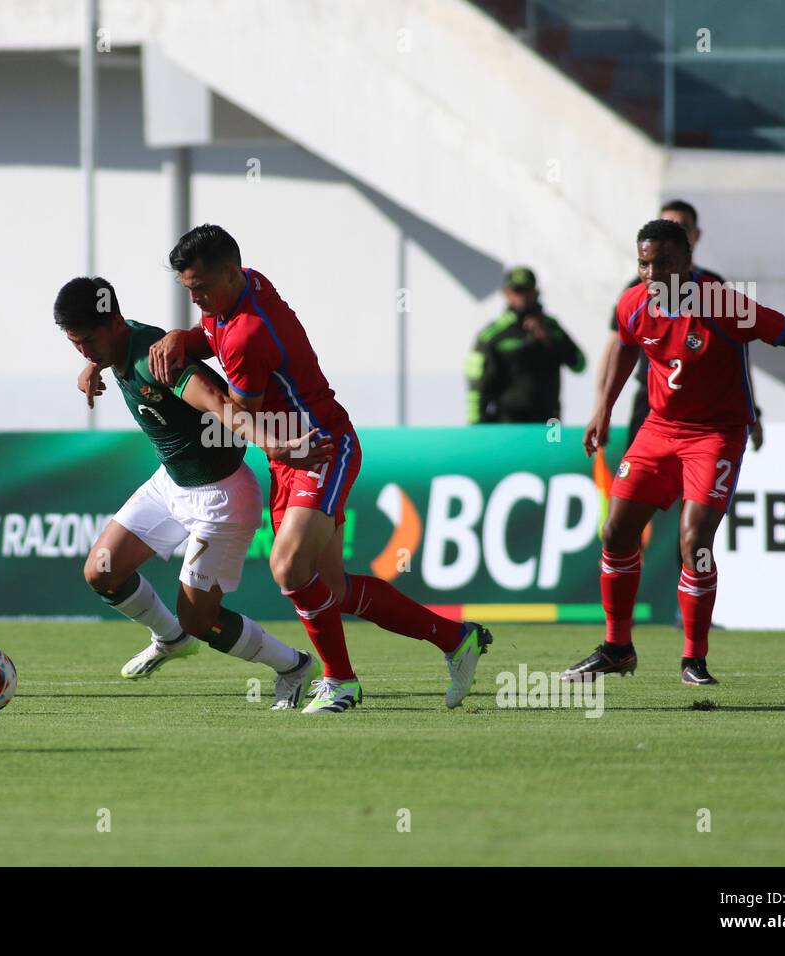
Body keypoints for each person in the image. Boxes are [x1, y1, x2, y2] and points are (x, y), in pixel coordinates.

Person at [149, 224, 492, 715]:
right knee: (333, 590)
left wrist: (196, 392)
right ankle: (457, 639)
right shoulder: (244, 288)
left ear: (229, 273)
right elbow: (209, 335)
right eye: (188, 291)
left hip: (318, 449)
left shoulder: (248, 330)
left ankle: (341, 683)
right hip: (287, 454)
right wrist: (181, 338)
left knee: (288, 566)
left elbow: (240, 414)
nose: (197, 300)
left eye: (201, 288)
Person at [567, 220, 785, 686]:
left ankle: (693, 659)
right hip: (657, 430)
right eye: (644, 264)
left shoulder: (722, 305)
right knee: (616, 531)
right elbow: (628, 348)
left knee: (695, 543)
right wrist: (603, 409)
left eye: (662, 263)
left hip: (714, 434)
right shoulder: (633, 302)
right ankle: (616, 648)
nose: (651, 274)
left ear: (687, 264)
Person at [55, 276, 323, 710]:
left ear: (114, 323)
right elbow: (113, 352)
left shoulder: (155, 361)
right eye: (75, 344)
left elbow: (219, 403)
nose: (83, 351)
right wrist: (93, 367)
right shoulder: (120, 344)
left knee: (200, 618)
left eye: (87, 342)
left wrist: (273, 443)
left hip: (221, 499)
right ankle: (170, 638)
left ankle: (292, 665)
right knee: (101, 573)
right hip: (171, 483)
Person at [594, 199, 764, 453]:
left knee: (693, 487)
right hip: (652, 401)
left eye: (682, 227)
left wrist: (753, 410)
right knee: (643, 487)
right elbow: (615, 346)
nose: (674, 232)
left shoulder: (714, 287)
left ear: (696, 235)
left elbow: (740, 351)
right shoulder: (637, 288)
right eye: (668, 225)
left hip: (704, 407)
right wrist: (601, 408)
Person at [466, 266, 585, 424]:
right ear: (507, 294)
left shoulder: (552, 327)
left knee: (552, 447)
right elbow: (476, 383)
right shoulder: (493, 335)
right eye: (517, 291)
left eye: (527, 290)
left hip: (550, 422)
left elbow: (580, 365)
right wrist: (476, 425)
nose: (523, 296)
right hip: (507, 422)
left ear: (536, 292)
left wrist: (550, 338)